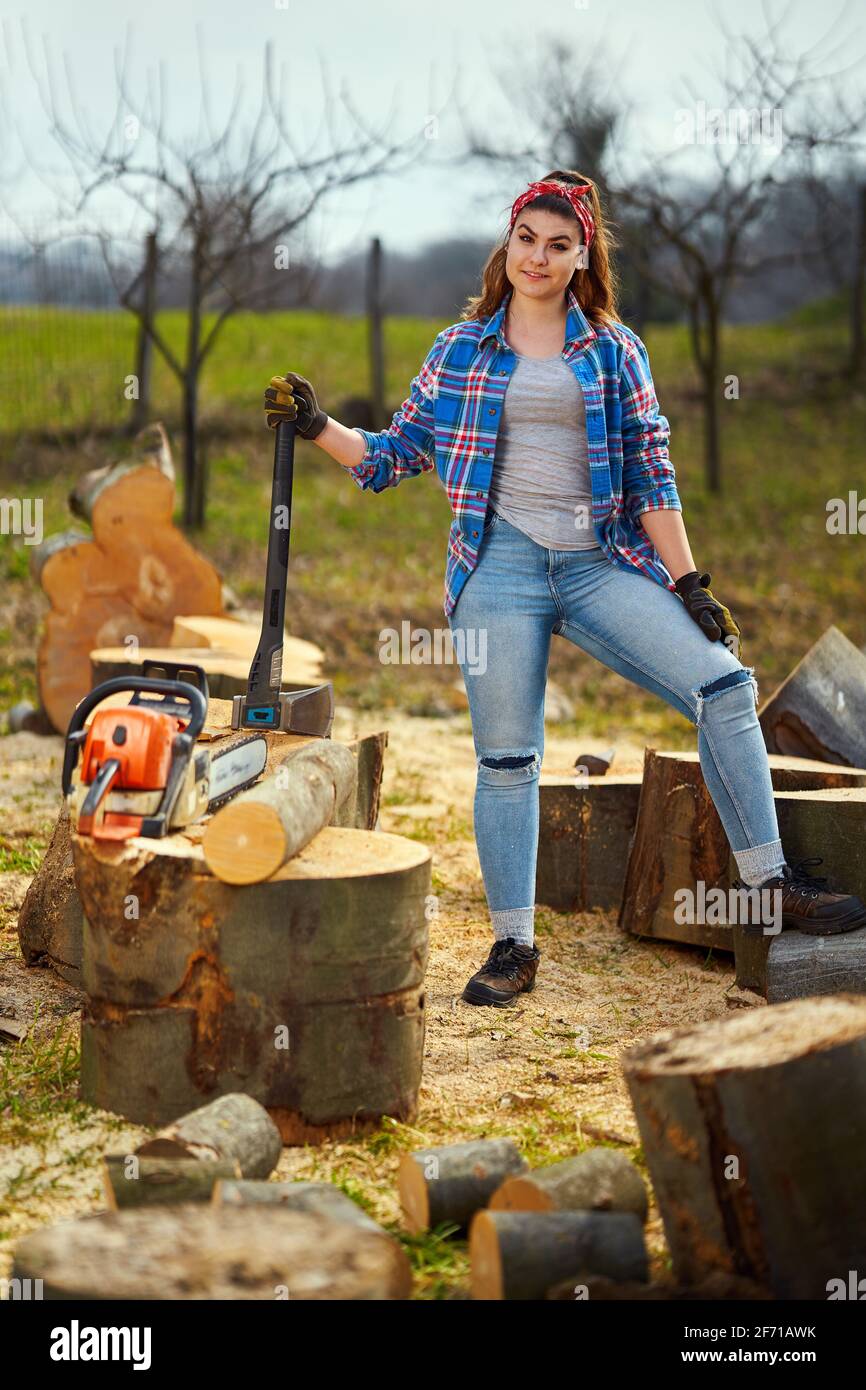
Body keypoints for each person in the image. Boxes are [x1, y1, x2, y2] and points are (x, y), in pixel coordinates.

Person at [262, 169, 866, 1008]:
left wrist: (690, 583)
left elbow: (654, 476)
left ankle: (769, 883)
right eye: (525, 240)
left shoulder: (614, 350)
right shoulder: (460, 348)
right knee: (508, 759)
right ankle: (515, 944)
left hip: (596, 566)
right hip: (497, 573)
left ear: (583, 256)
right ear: (506, 245)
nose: (537, 258)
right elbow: (395, 455)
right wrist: (316, 425)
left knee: (724, 684)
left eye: (558, 245)